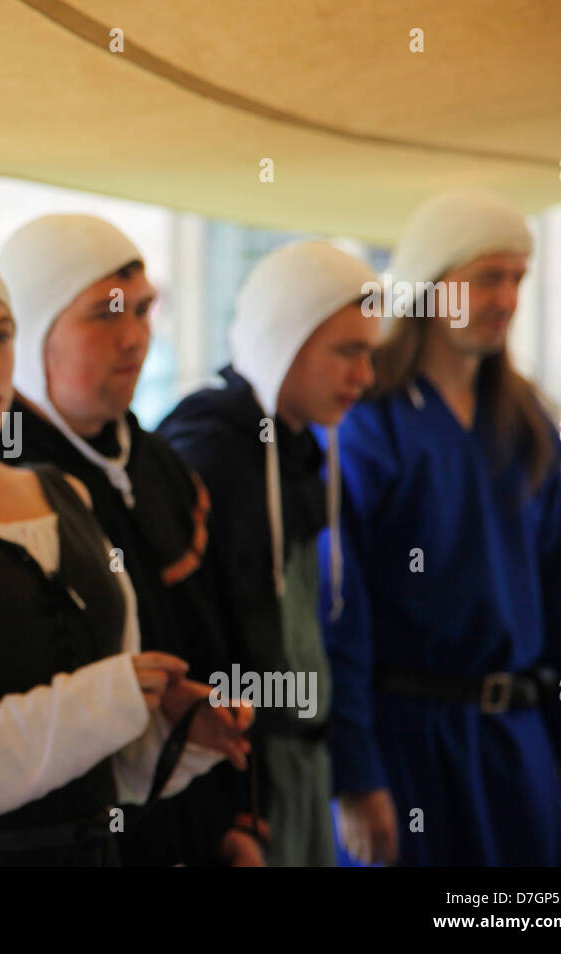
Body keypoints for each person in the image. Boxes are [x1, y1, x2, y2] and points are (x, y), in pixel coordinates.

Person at [0, 242, 253, 866]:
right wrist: (106, 700)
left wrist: (171, 727)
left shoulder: (66, 495)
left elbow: (117, 767)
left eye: (1, 337)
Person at [323, 190, 561, 866]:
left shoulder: (525, 425)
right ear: (431, 286)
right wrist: (356, 774)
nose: (507, 299)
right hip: (405, 743)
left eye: (518, 278)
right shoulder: (368, 425)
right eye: (488, 277)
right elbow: (338, 614)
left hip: (516, 747)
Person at [0, 213, 261, 866]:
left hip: (196, 819)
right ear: (33, 331)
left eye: (143, 312)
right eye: (105, 315)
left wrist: (237, 815)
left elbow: (219, 640)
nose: (136, 338)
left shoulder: (158, 463)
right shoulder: (0, 476)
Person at [157, 239, 381, 866]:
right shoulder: (209, 453)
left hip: (304, 762)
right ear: (286, 338)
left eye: (369, 353)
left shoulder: (297, 447)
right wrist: (235, 810)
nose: (363, 377)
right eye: (347, 351)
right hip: (246, 772)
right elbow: (198, 653)